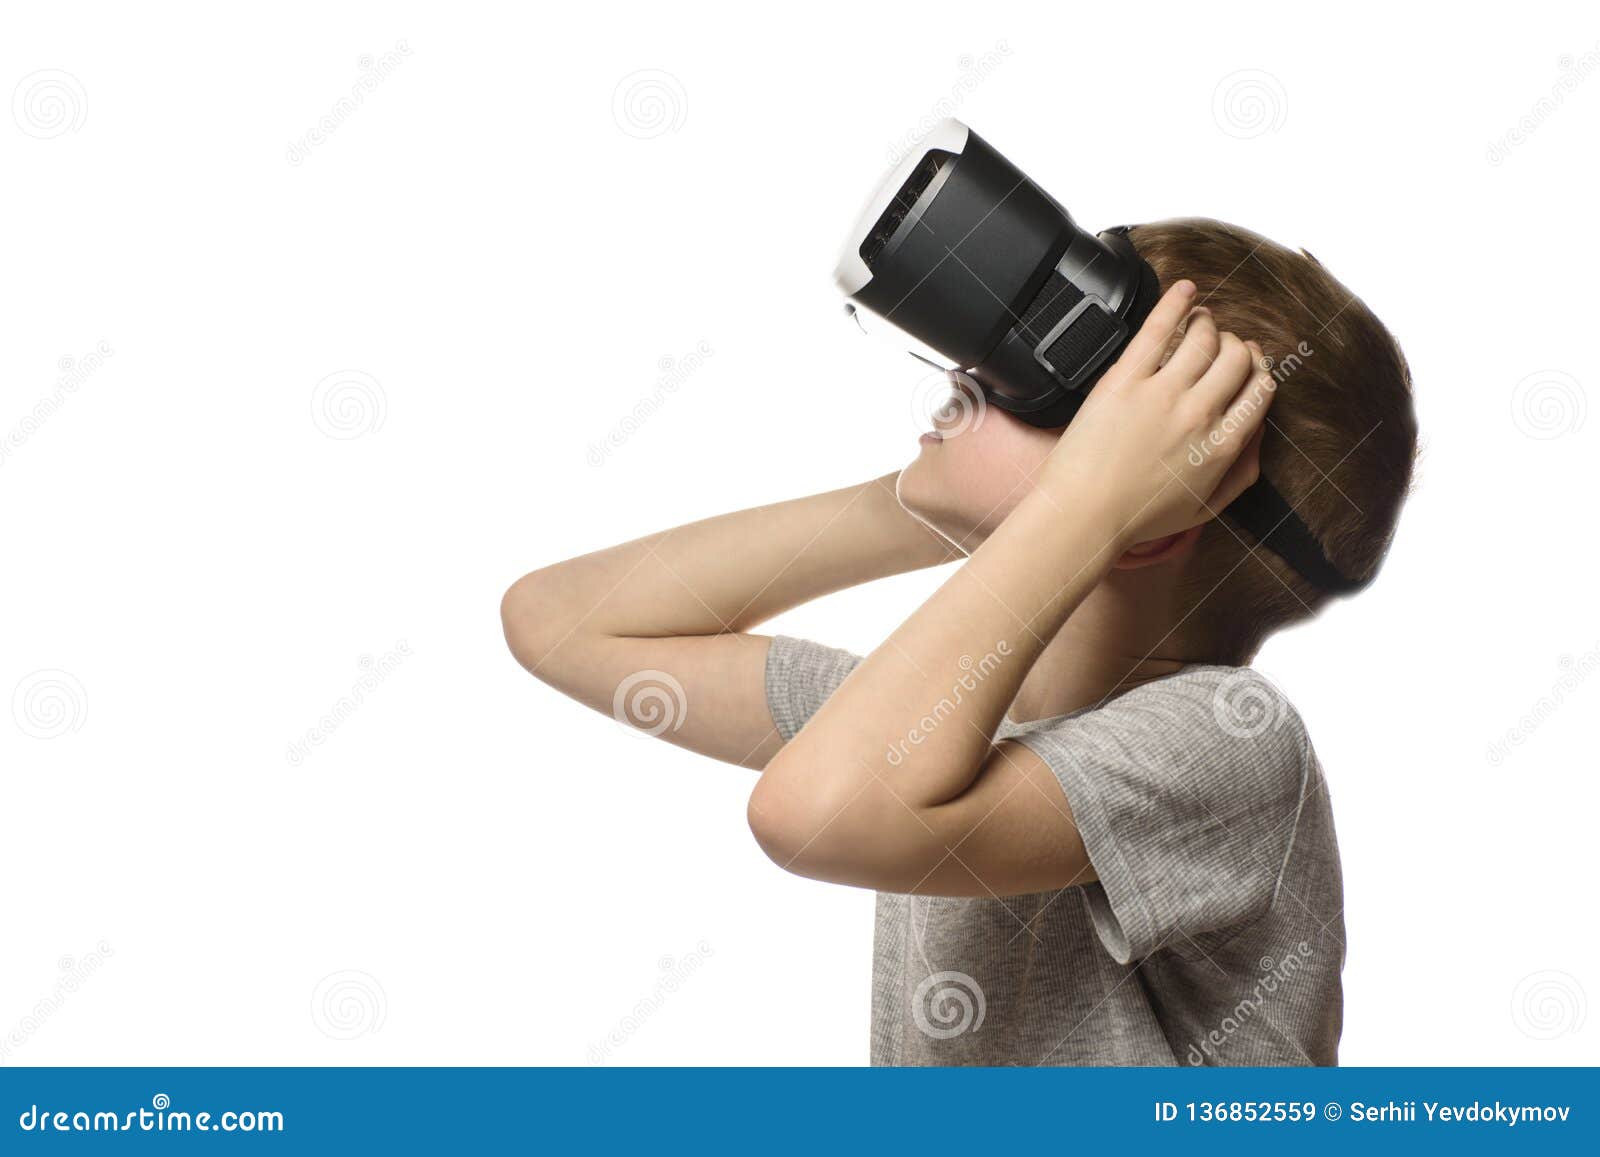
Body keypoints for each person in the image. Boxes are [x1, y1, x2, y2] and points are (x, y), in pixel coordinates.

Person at [500, 218, 1418, 1065]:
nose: (958, 382)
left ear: (1149, 514)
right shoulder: (931, 739)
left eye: (1034, 384)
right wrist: (921, 503)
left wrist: (1077, 506)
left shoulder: (1233, 743)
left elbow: (814, 812)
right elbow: (562, 621)